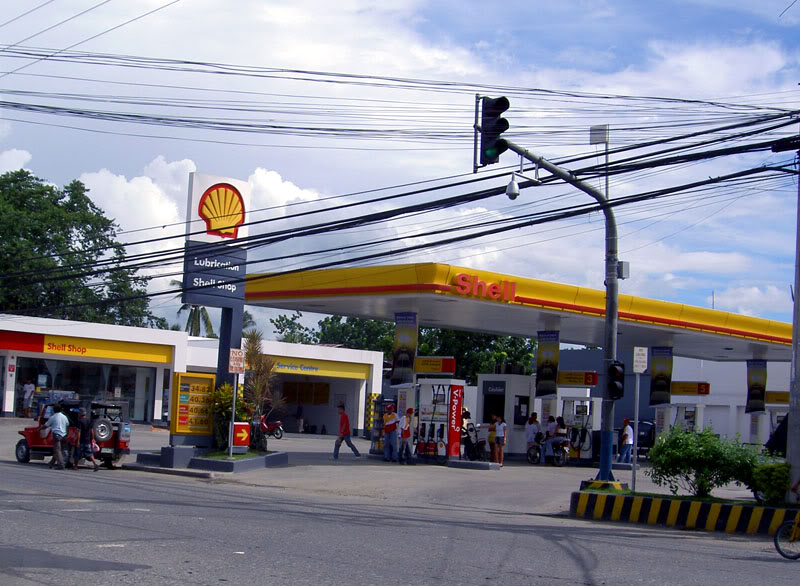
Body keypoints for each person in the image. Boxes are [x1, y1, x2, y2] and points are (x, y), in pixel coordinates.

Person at [45, 403, 69, 470]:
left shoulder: (53, 417)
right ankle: (51, 463)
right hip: (64, 435)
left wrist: (40, 429)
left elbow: (46, 425)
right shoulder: (64, 417)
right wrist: (67, 434)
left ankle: (61, 465)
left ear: (53, 410)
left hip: (57, 435)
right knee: (58, 450)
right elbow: (67, 425)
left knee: (57, 450)